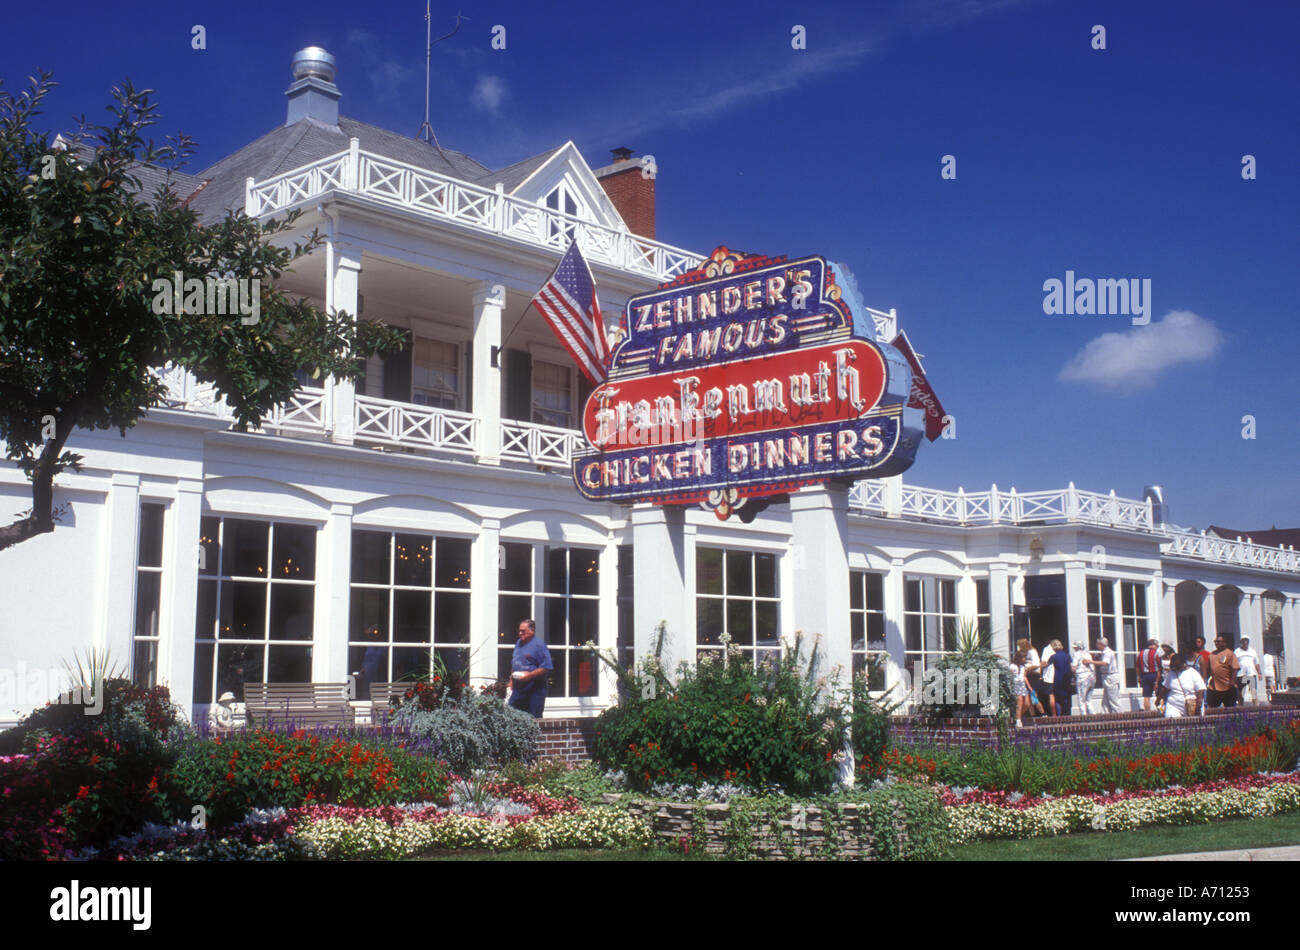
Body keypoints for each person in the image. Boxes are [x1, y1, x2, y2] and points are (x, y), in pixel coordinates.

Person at [507, 618, 553, 719]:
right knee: (511, 715)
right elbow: (515, 663)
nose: (520, 633)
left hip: (535, 688)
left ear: (532, 631)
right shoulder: (519, 643)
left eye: (523, 631)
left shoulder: (539, 645)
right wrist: (511, 680)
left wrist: (530, 675)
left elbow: (546, 666)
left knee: (533, 720)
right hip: (519, 688)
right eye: (519, 630)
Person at [1160, 654, 1206, 719]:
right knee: (1172, 722)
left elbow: (1200, 690)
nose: (1175, 668)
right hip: (1173, 706)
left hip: (1191, 705)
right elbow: (1164, 688)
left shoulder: (1192, 673)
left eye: (1177, 666)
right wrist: (1159, 700)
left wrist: (1198, 706)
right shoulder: (1171, 674)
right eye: (1174, 666)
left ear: (1183, 663)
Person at [1205, 634, 1240, 708]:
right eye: (1215, 641)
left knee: (1230, 709)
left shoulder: (1230, 654)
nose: (1216, 643)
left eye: (1218, 641)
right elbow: (1208, 669)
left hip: (1227, 686)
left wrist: (1232, 682)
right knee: (1212, 708)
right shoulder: (1212, 654)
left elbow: (1235, 669)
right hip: (1214, 687)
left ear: (1225, 643)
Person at [1018, 638, 1046, 717]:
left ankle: (1043, 713)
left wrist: (1026, 670)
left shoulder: (1032, 652)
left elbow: (1036, 664)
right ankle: (1032, 715)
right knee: (1028, 698)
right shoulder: (1023, 653)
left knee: (1033, 696)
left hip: (1033, 675)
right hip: (1027, 676)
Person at [1094, 638, 1121, 713]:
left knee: (1113, 699)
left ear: (1101, 644)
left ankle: (1119, 717)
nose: (1096, 646)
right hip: (1106, 677)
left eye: (1097, 644)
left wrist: (1091, 661)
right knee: (1105, 699)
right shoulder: (1104, 652)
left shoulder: (1108, 653)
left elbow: (1105, 663)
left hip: (1110, 677)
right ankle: (1106, 716)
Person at [1046, 639, 1072, 716]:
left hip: (1058, 677)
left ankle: (1059, 714)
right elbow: (1071, 666)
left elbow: (1046, 665)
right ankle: (1066, 713)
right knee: (1066, 696)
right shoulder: (1067, 655)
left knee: (1057, 697)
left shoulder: (1053, 656)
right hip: (1066, 677)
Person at [1137, 638, 1164, 712]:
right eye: (1157, 646)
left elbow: (1138, 666)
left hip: (1144, 676)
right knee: (1159, 696)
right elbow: (1159, 668)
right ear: (1153, 645)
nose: (1157, 647)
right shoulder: (1157, 653)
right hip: (1154, 675)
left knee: (1146, 696)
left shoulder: (1141, 653)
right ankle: (1161, 711)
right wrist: (1157, 681)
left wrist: (1139, 677)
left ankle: (1147, 713)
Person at [1235, 637, 1261, 705]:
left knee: (1253, 692)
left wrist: (1259, 673)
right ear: (1241, 642)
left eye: (1246, 641)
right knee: (1241, 693)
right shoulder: (1237, 651)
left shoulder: (1253, 651)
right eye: (1243, 641)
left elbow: (1256, 663)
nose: (1245, 643)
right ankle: (1240, 708)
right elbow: (1234, 663)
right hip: (1240, 675)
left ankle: (1257, 708)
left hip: (1251, 674)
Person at [1073, 641, 1096, 714]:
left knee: (1081, 699)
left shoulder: (1076, 654)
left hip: (1082, 677)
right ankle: (1092, 715)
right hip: (1092, 676)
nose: (1073, 648)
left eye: (1074, 647)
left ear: (1077, 647)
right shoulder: (1088, 654)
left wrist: (1071, 667)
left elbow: (1074, 668)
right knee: (1088, 699)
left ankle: (1083, 716)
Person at [1011, 646, 1032, 726]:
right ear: (1019, 658)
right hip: (1016, 684)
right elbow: (1010, 676)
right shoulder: (1013, 666)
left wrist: (1029, 686)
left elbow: (1024, 677)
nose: (1024, 659)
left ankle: (1016, 715)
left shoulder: (1023, 667)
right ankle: (1018, 720)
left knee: (1027, 704)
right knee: (1020, 702)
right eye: (1023, 658)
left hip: (1022, 685)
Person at [1040, 639, 1058, 715]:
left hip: (1049, 676)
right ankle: (1057, 713)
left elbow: (1043, 662)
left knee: (1051, 695)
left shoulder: (1046, 649)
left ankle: (1054, 715)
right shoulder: (1058, 652)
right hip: (1057, 676)